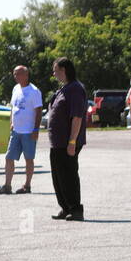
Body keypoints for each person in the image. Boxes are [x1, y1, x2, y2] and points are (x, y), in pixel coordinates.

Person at [45, 57, 87, 221]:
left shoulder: (75, 89)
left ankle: (76, 209)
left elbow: (77, 117)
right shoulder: (64, 89)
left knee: (68, 175)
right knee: (58, 176)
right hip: (57, 142)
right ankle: (65, 207)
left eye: (56, 70)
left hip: (67, 142)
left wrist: (72, 141)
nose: (54, 74)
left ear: (64, 70)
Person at [0, 65, 43, 194]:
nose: (15, 76)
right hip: (16, 130)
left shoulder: (34, 91)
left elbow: (38, 112)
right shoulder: (16, 89)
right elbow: (14, 107)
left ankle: (27, 185)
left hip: (29, 131)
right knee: (9, 157)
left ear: (26, 75)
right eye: (14, 74)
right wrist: (11, 122)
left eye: (18, 74)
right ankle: (7, 186)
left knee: (28, 159)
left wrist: (36, 130)